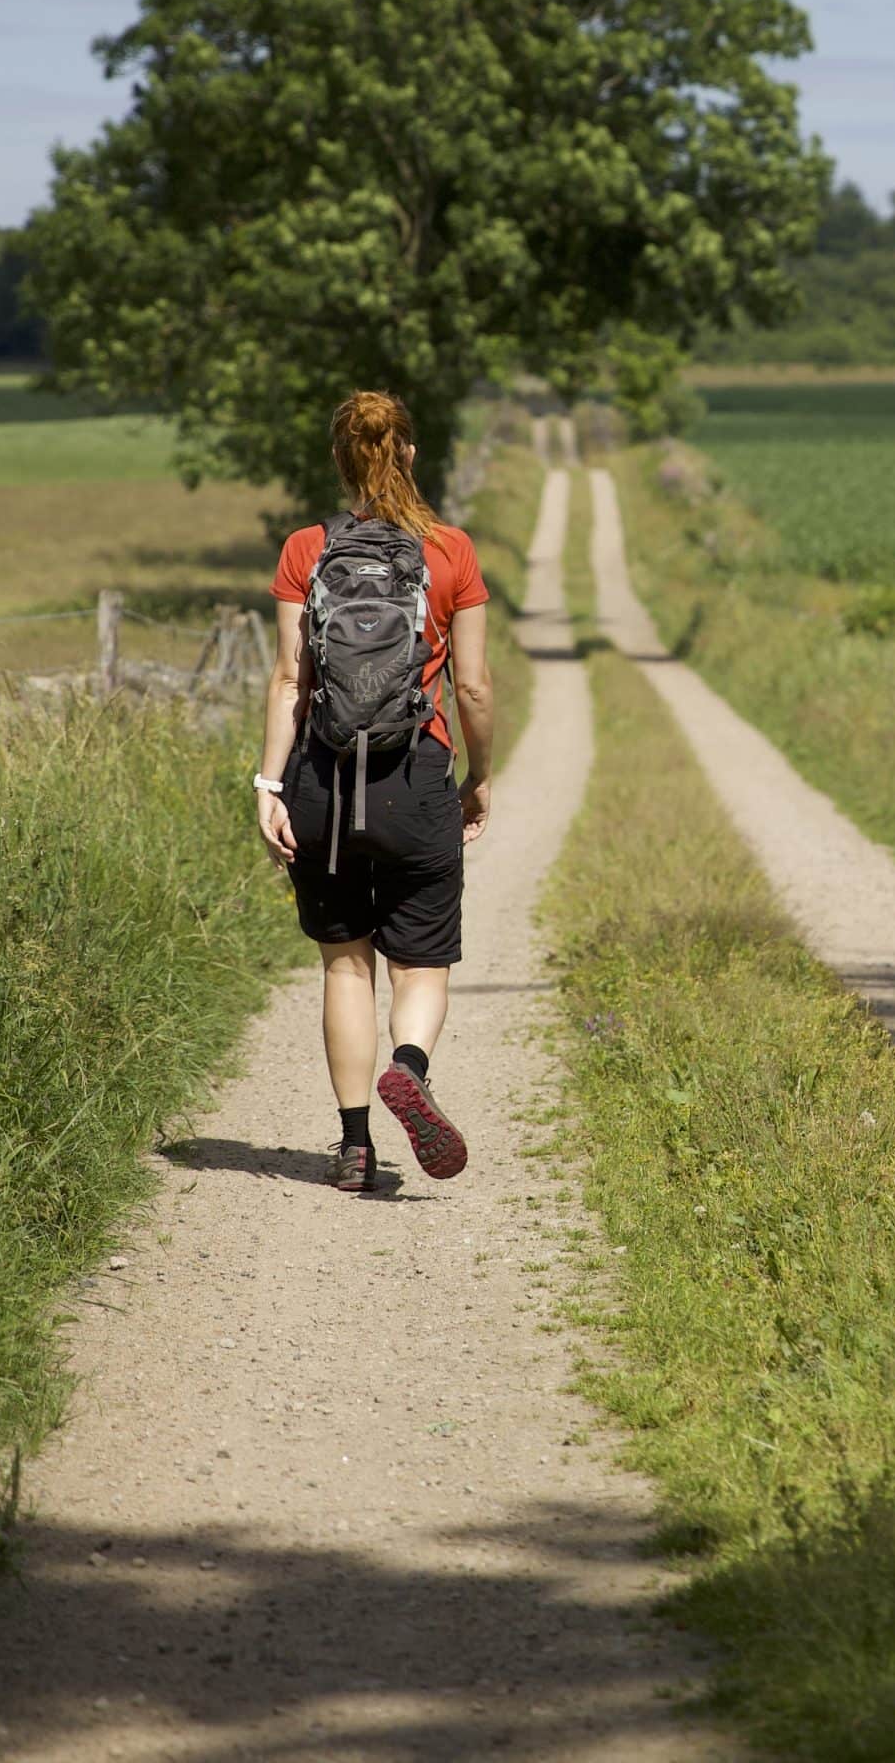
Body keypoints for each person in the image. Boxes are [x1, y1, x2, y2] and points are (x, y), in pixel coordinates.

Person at [258, 390, 494, 1193]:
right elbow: (474, 688)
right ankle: (410, 1067)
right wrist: (480, 777)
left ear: (340, 458)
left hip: (321, 781)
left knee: (345, 965)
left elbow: (289, 679)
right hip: (416, 777)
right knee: (420, 964)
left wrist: (269, 785)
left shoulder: (306, 548)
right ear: (409, 453)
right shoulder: (452, 551)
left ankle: (355, 1146)